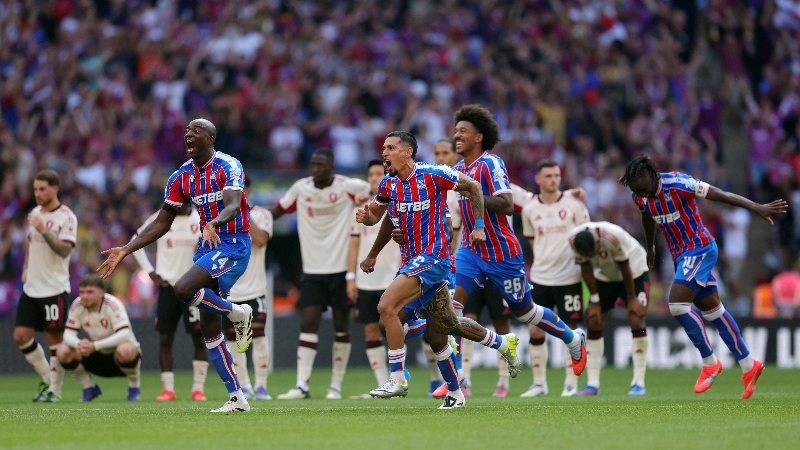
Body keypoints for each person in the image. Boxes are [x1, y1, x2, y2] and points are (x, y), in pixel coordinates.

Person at [358, 131, 525, 410]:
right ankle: (484, 363)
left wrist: (479, 226)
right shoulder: (389, 185)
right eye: (383, 148)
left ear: (408, 152)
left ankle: (397, 378)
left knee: (387, 307)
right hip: (412, 263)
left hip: (435, 259)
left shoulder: (433, 174)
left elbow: (473, 186)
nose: (384, 152)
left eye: (391, 148)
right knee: (443, 330)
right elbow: (380, 216)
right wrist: (367, 220)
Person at [97, 118, 255, 413]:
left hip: (234, 243)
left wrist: (214, 222)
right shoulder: (180, 177)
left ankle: (238, 313)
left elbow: (234, 204)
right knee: (209, 329)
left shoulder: (228, 165)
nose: (188, 135)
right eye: (187, 132)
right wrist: (127, 250)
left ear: (210, 138)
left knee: (182, 288)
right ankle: (237, 398)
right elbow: (161, 223)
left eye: (196, 131)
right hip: (208, 247)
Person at [619, 155, 787, 399]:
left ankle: (710, 362)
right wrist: (651, 246)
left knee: (677, 305)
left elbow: (719, 194)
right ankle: (749, 364)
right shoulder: (640, 196)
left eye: (645, 189)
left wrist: (756, 207)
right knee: (714, 311)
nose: (643, 195)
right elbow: (646, 214)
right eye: (638, 192)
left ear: (653, 176)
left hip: (700, 248)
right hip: (681, 256)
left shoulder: (679, 184)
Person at [448, 106, 587, 399]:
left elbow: (508, 205)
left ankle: (573, 339)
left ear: (479, 137)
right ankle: (456, 377)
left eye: (463, 131)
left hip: (502, 254)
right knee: (451, 309)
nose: (456, 135)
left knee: (526, 312)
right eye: (456, 130)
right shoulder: (459, 169)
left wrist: (475, 193)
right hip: (471, 251)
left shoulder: (491, 164)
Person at [270, 149, 371, 400]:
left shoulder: (348, 186)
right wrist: (252, 216)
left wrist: (368, 199)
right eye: (313, 164)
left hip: (341, 270)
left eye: (321, 165)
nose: (316, 169)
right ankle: (301, 385)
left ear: (332, 167)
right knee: (308, 322)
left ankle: (335, 386)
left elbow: (377, 190)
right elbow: (279, 209)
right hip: (313, 271)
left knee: (341, 326)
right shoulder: (301, 188)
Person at [520, 159, 591, 397]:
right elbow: (533, 241)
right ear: (538, 180)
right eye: (549, 176)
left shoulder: (575, 206)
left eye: (557, 176)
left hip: (570, 277)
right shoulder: (530, 209)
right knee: (535, 331)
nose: (554, 180)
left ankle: (571, 384)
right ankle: (539, 383)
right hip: (541, 277)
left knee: (571, 331)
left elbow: (586, 239)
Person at [132, 202, 209, 402]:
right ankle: (168, 389)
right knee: (165, 338)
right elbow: (136, 240)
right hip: (167, 288)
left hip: (192, 286)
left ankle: (198, 389)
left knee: (199, 338)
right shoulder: (161, 217)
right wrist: (150, 271)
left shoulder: (201, 218)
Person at [13, 170, 76, 402]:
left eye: (42, 189)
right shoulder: (35, 213)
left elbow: (65, 250)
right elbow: (31, 243)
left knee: (54, 340)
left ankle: (55, 391)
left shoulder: (67, 217)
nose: (37, 194)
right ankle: (48, 378)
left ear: (55, 189)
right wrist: (26, 267)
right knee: (21, 335)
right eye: (35, 189)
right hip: (32, 286)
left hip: (54, 287)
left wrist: (43, 229)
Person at [568, 222, 650, 396]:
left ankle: (638, 383)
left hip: (634, 271)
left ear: (598, 242)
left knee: (636, 318)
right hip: (606, 276)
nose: (592, 257)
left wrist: (632, 299)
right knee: (593, 320)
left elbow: (624, 266)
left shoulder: (613, 237)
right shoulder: (574, 240)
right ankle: (592, 384)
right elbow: (585, 268)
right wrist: (595, 301)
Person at [347, 159, 402, 397]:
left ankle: (406, 378)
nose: (374, 178)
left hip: (393, 277)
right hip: (366, 280)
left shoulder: (398, 203)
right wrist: (351, 277)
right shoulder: (361, 209)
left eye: (379, 173)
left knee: (396, 328)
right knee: (370, 330)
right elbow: (354, 244)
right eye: (371, 174)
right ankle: (383, 383)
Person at [223, 177, 273, 400]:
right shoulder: (219, 216)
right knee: (233, 340)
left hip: (255, 289)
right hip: (229, 290)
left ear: (248, 191)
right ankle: (244, 386)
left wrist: (241, 213)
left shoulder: (262, 215)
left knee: (259, 336)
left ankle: (261, 387)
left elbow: (261, 240)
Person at [57, 274, 142, 402]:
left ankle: (134, 386)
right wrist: (79, 344)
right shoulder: (77, 305)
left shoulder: (112, 304)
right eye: (82, 292)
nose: (85, 296)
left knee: (125, 349)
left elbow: (124, 334)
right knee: (62, 351)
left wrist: (94, 346)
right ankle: (89, 386)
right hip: (95, 354)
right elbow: (68, 335)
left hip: (119, 357)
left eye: (90, 292)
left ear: (101, 293)